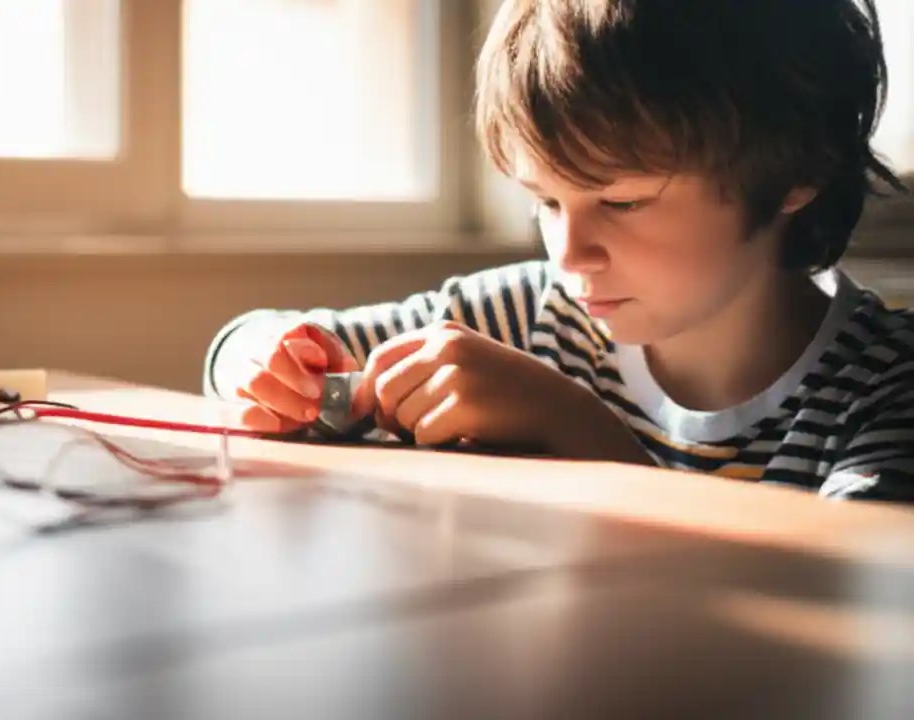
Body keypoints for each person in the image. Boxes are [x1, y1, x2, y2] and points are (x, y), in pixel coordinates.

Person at [202, 0, 913, 502]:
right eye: (545, 201)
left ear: (797, 171)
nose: (570, 253)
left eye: (623, 202)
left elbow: (837, 617)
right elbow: (248, 341)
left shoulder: (888, 389)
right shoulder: (529, 313)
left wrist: (574, 428)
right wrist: (266, 363)